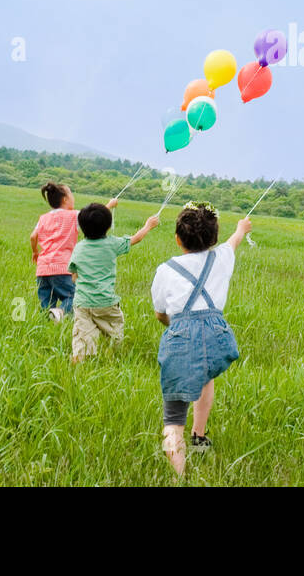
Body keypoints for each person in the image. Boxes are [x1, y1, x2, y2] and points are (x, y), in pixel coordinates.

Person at [150, 202, 251, 475]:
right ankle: (200, 436)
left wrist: (177, 326)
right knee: (206, 375)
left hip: (182, 336)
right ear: (214, 239)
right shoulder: (222, 257)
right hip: (217, 338)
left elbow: (160, 314)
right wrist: (242, 227)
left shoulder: (166, 270)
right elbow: (234, 241)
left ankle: (179, 477)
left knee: (172, 420)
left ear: (177, 239)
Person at [69, 201, 160, 362]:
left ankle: (79, 362)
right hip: (106, 302)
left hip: (82, 303)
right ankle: (111, 355)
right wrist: (148, 225)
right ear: (108, 226)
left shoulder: (79, 247)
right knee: (114, 332)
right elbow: (135, 239)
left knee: (82, 337)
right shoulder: (112, 244)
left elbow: (74, 275)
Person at [30, 181, 84, 320]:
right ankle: (59, 313)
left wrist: (35, 252)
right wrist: (109, 205)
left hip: (42, 269)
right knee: (73, 297)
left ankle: (48, 326)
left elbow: (33, 236)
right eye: (71, 193)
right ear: (65, 199)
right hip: (62, 268)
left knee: (46, 305)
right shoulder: (73, 215)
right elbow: (94, 217)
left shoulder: (43, 218)